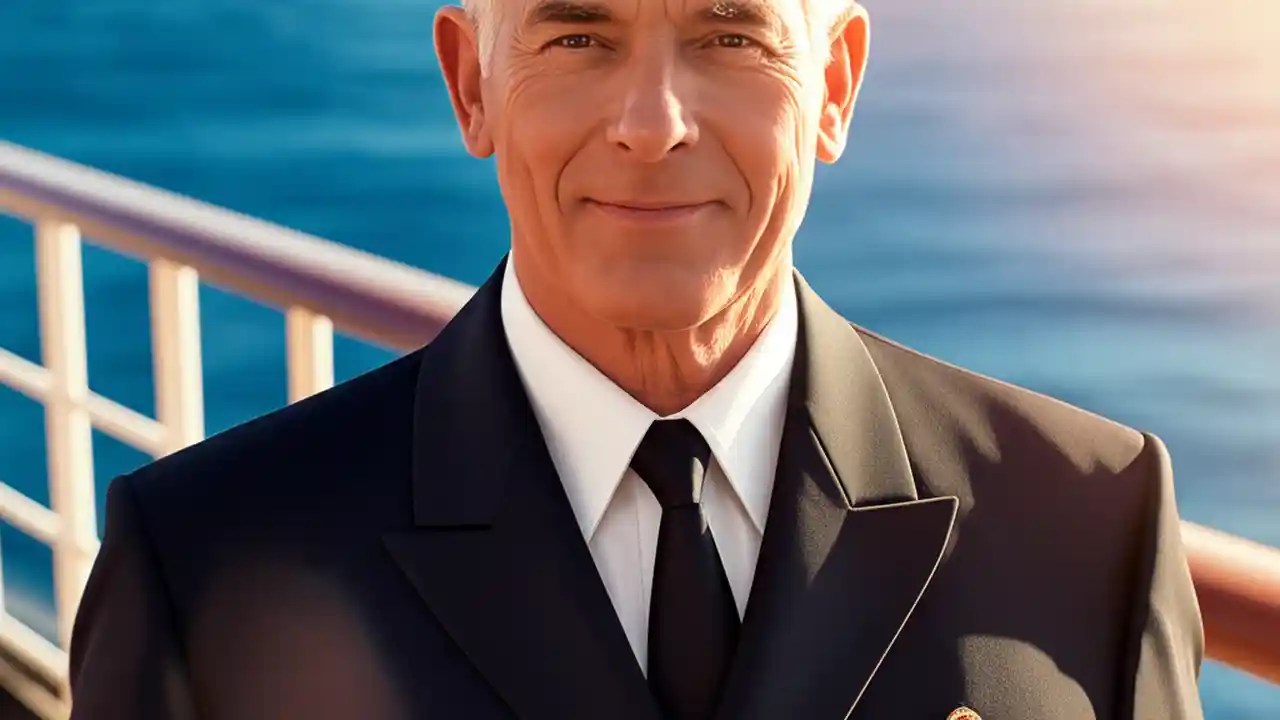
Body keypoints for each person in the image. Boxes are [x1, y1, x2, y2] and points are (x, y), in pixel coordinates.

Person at [68, 0, 1205, 718]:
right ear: (469, 83)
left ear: (836, 83)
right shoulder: (201, 563)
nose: (652, 121)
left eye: (729, 34)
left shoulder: (1086, 522)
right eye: (576, 35)